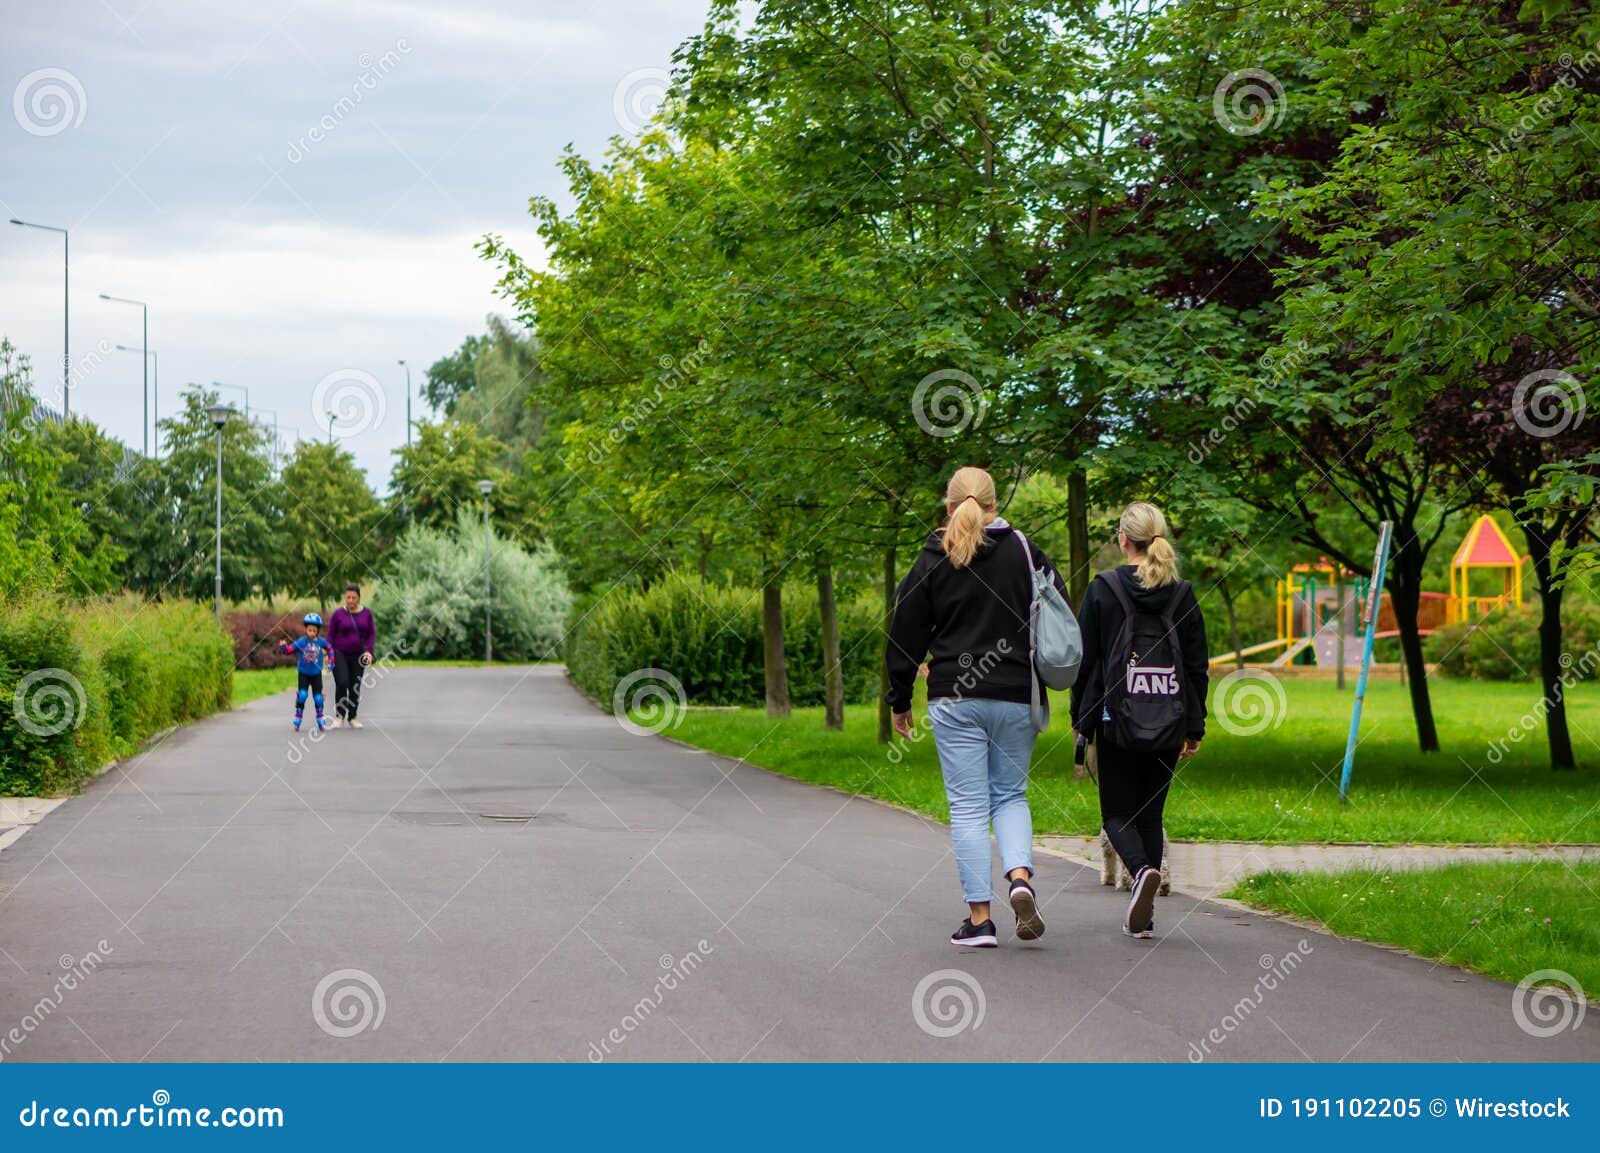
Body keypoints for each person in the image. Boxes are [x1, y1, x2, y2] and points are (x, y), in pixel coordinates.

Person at [886, 466, 1070, 948]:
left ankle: (980, 922)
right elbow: (1060, 612)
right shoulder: (1027, 551)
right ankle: (1021, 878)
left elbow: (905, 631)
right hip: (1016, 694)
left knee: (968, 806)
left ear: (949, 507)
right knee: (1010, 795)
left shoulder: (933, 554)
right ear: (994, 505)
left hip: (955, 694)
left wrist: (899, 698)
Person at [1071, 501, 1208, 939]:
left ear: (1123, 539)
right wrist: (1194, 725)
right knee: (1150, 814)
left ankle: (1142, 871)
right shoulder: (1183, 593)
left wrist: (1082, 718)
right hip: (1169, 717)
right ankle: (1144, 921)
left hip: (1116, 720)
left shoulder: (1102, 589)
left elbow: (1085, 662)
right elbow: (1196, 666)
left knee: (1116, 814)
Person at [327, 583, 375, 729]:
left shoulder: (367, 614)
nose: (351, 600)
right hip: (339, 652)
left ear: (359, 598)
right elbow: (330, 634)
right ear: (345, 597)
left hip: (359, 655)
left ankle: (352, 716)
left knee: (355, 685)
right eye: (348, 597)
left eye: (354, 597)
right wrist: (327, 653)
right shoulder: (338, 614)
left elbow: (371, 634)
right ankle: (339, 716)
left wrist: (369, 651)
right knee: (342, 682)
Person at [278, 613, 332, 732]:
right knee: (302, 695)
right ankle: (298, 713)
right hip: (303, 673)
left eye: (314, 630)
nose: (311, 633)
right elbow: (288, 651)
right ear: (305, 629)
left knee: (318, 698)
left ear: (318, 631)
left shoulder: (321, 642)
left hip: (316, 674)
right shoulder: (302, 642)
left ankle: (320, 715)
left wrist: (331, 661)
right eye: (309, 630)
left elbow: (330, 648)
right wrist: (283, 647)